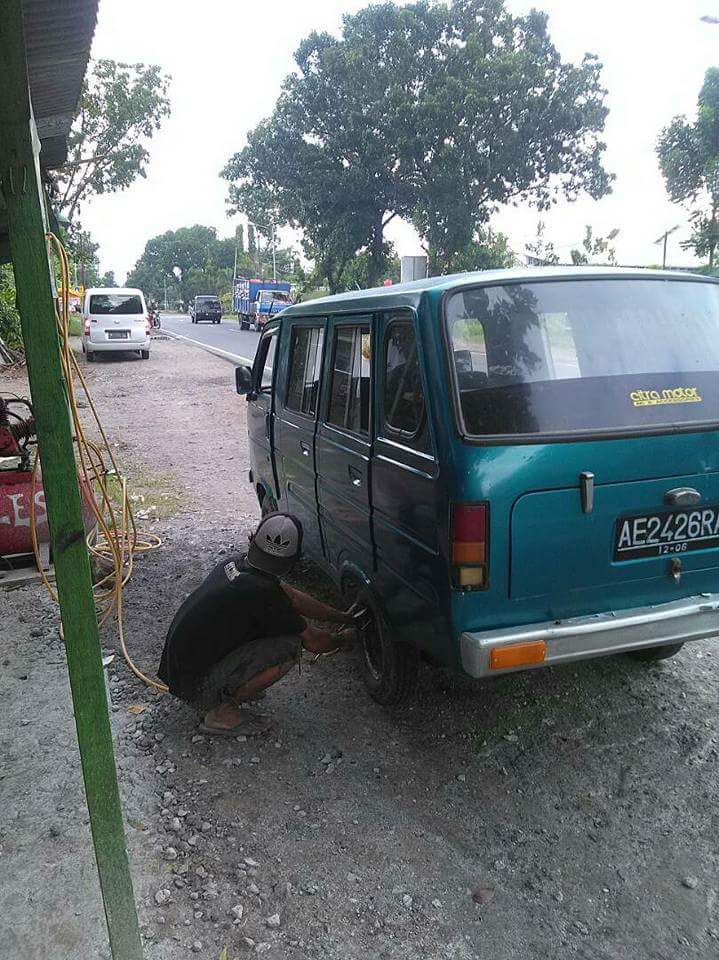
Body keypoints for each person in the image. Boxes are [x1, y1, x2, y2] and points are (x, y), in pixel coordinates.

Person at [158, 513, 360, 736]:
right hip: (194, 686)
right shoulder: (262, 592)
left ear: (253, 540)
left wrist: (340, 616)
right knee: (289, 646)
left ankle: (229, 687)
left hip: (178, 672)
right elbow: (313, 642)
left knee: (266, 631)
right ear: (293, 559)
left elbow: (292, 597)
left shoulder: (236, 564)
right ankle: (219, 712)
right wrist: (344, 639)